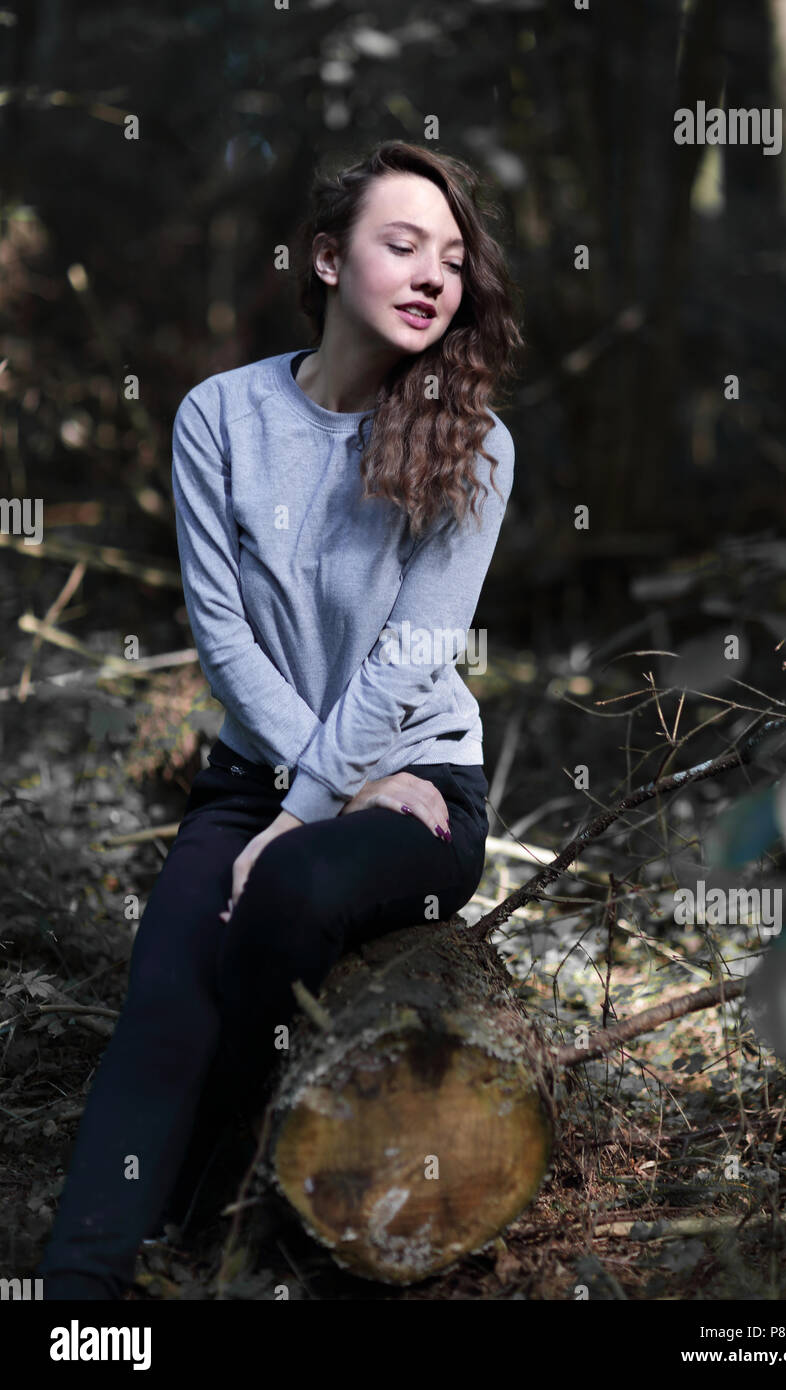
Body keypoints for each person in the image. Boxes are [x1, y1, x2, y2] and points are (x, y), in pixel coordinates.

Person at [37, 138, 522, 1300]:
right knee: (164, 991)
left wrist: (324, 804)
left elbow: (413, 654)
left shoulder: (476, 444)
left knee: (291, 891)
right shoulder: (220, 417)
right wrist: (311, 791)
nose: (431, 276)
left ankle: (225, 1210)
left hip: (418, 791)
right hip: (261, 779)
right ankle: (78, 1295)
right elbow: (224, 638)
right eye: (400, 245)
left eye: (450, 259)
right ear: (322, 257)